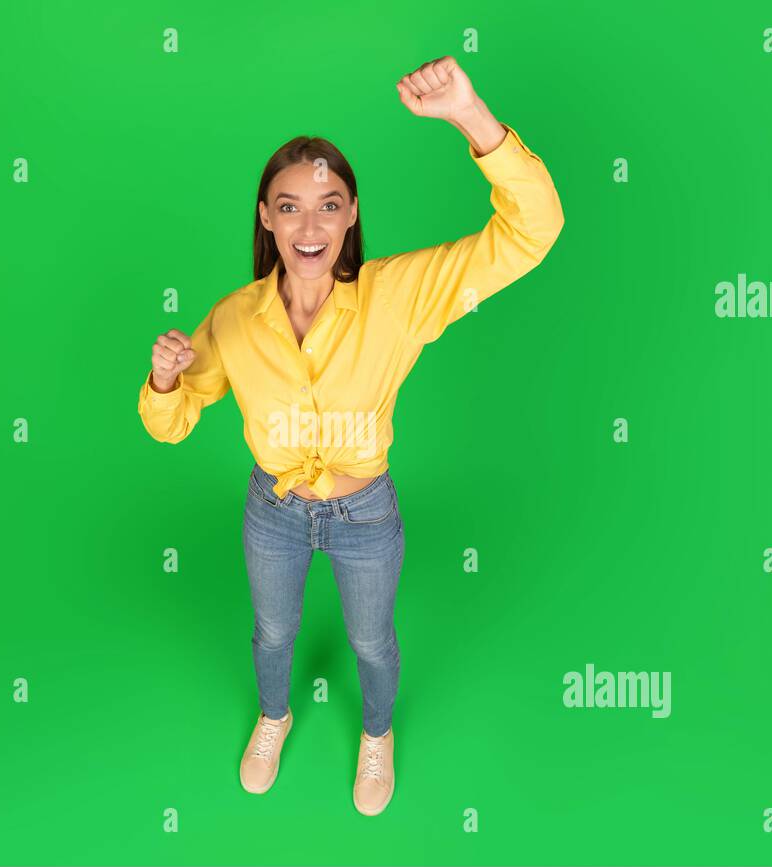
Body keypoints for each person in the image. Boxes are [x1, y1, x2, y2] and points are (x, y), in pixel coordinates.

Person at [137, 55, 565, 816]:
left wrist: (471, 117)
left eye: (329, 205)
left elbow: (532, 231)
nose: (311, 224)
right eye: (291, 206)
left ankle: (376, 734)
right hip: (273, 511)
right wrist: (167, 378)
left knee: (371, 643)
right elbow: (171, 427)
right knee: (271, 635)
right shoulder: (234, 318)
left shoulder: (396, 296)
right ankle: (275, 717)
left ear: (352, 214)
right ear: (266, 217)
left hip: (365, 513)